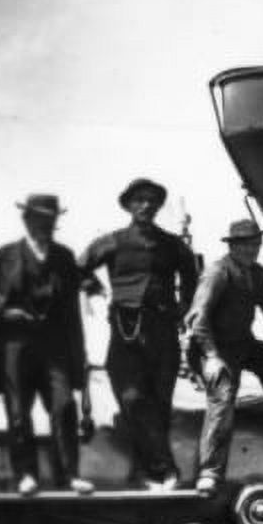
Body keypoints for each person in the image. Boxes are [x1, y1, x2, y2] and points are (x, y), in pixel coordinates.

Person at [0, 194, 95, 495]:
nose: (45, 224)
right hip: (14, 345)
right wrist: (4, 308)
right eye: (38, 218)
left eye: (50, 219)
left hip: (55, 346)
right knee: (17, 411)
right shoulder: (2, 256)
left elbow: (72, 310)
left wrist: (80, 355)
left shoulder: (64, 257)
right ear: (26, 220)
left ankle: (69, 475)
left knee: (64, 406)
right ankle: (26, 475)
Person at [80, 178, 199, 490]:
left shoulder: (173, 245)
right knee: (132, 399)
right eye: (139, 200)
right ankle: (166, 467)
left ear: (158, 207)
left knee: (159, 405)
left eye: (152, 201)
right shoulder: (113, 241)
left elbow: (192, 279)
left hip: (163, 334)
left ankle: (143, 473)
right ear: (129, 205)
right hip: (126, 332)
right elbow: (77, 269)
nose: (146, 205)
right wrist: (92, 287)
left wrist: (184, 308)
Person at [188, 218, 263, 494]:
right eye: (245, 245)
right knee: (222, 398)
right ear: (233, 246)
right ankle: (209, 472)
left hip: (243, 343)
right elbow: (198, 319)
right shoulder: (217, 273)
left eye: (256, 244)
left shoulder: (259, 274)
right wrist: (211, 357)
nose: (251, 250)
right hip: (215, 348)